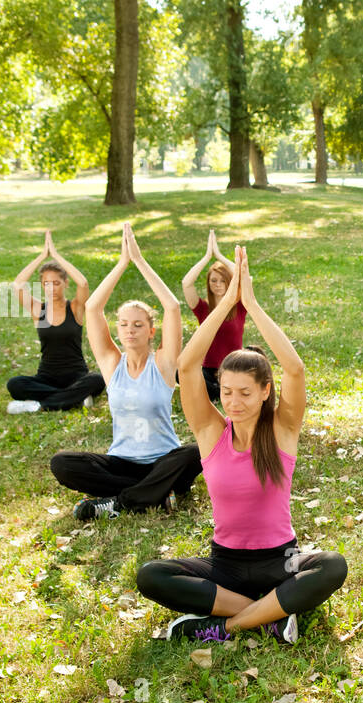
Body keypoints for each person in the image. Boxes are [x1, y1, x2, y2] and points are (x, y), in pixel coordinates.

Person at [136, 246, 347, 643]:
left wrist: (250, 303)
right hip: (226, 565)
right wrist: (226, 302)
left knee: (334, 566)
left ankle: (225, 625)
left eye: (245, 393)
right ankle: (273, 611)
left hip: (280, 560)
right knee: (151, 575)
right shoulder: (211, 432)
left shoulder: (283, 429)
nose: (232, 403)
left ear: (267, 391)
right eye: (227, 392)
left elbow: (295, 369)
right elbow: (187, 365)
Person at [49, 223, 202, 520]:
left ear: (151, 330)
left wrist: (140, 261)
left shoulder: (163, 362)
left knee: (196, 452)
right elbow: (92, 308)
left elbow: (171, 307)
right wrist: (122, 263)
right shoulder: (111, 364)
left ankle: (120, 502)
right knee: (62, 463)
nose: (129, 330)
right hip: (122, 462)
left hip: (163, 461)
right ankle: (153, 494)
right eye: (123, 324)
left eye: (138, 324)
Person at [6, 231, 105, 413]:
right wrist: (42, 256)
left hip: (76, 375)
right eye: (46, 284)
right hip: (46, 377)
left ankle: (40, 405)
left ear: (66, 283)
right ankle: (73, 397)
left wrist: (57, 256)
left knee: (97, 380)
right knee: (15, 384)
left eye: (56, 283)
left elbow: (82, 284)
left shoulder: (75, 308)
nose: (51, 288)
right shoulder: (38, 310)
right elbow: (18, 285)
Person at [181, 229, 246, 399]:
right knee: (178, 373)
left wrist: (219, 256)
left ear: (230, 281)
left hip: (233, 367)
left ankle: (222, 392)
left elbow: (247, 278)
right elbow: (186, 283)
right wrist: (206, 258)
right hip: (208, 372)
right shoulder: (202, 308)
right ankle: (219, 392)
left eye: (223, 280)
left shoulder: (239, 305)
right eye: (213, 280)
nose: (218, 284)